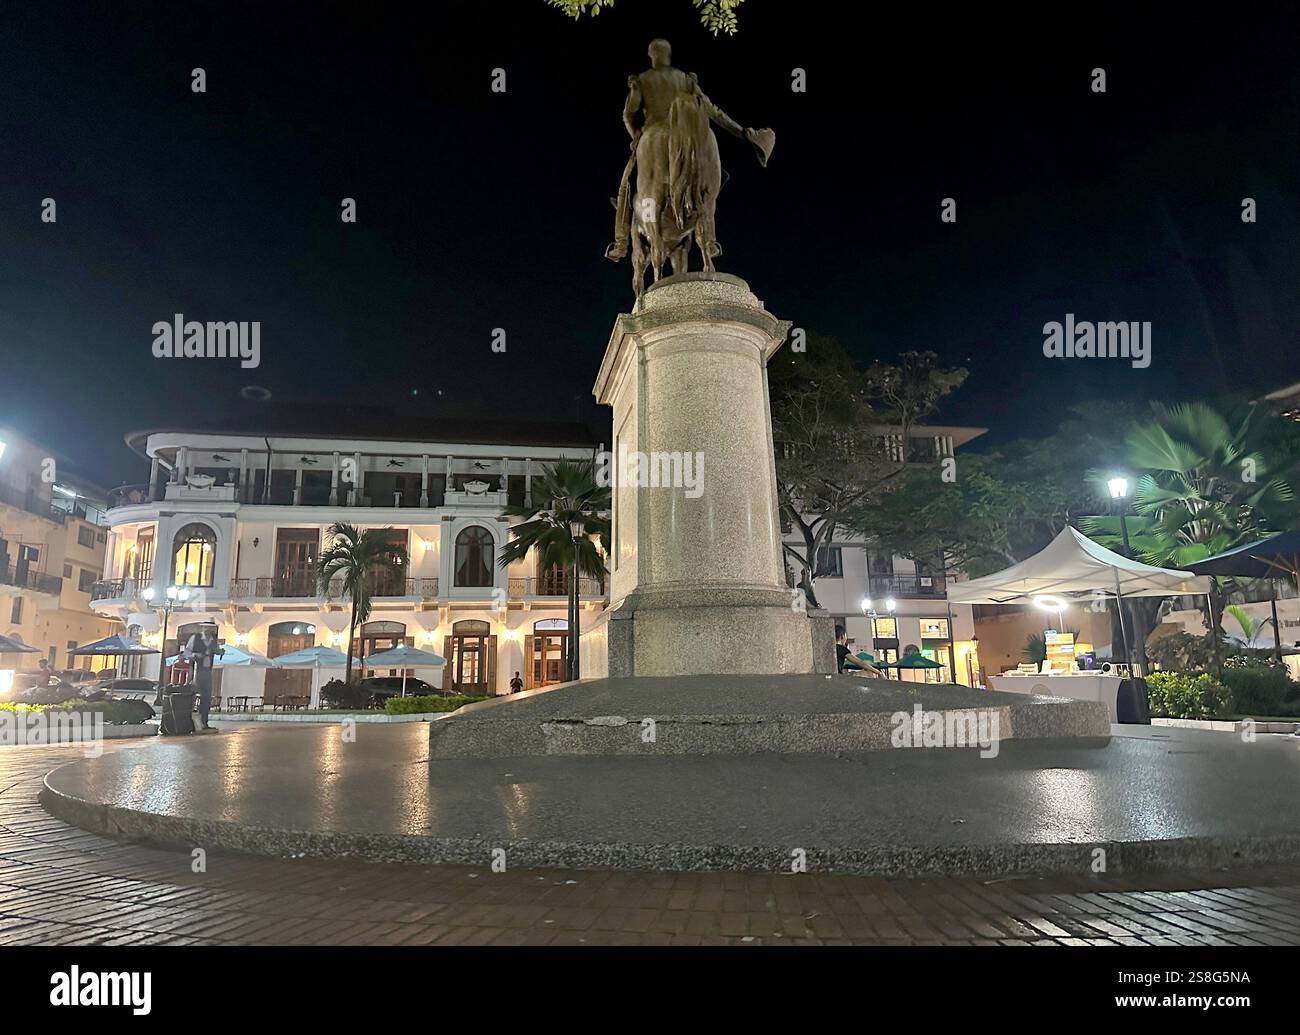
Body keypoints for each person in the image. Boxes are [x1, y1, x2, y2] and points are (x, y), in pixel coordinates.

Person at [183, 622, 224, 730]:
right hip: (197, 670)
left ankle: (204, 722)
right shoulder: (195, 638)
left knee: (206, 697)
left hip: (208, 671)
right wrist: (195, 655)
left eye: (210, 628)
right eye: (206, 627)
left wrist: (220, 652)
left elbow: (218, 651)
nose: (208, 630)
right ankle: (189, 721)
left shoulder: (213, 640)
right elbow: (186, 653)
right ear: (202, 628)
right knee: (194, 695)